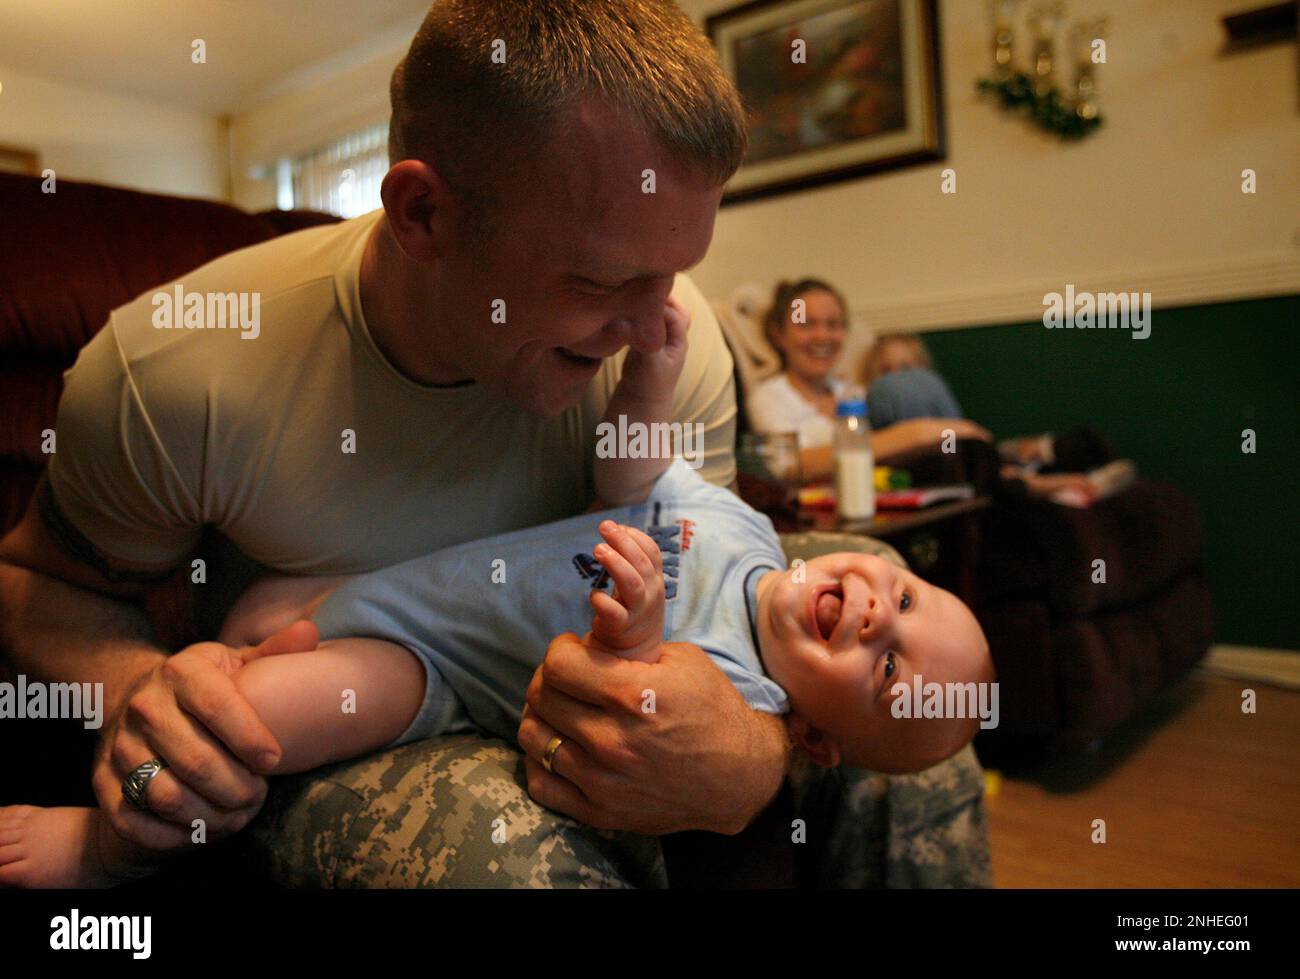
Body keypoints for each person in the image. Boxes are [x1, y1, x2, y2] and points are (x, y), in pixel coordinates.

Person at [0, 1, 990, 888]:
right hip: (381, 676)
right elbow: (41, 586)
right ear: (422, 212)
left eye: (677, 268)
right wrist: (143, 695)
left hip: (589, 657)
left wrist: (754, 744)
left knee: (923, 669)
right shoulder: (175, 369)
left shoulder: (667, 330)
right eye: (602, 282)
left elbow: (717, 590)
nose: (653, 322)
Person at [0, 314, 991, 886]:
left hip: (428, 673)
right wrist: (649, 378)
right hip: (391, 580)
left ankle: (99, 851)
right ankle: (233, 660)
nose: (875, 614)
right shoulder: (750, 534)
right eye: (902, 595)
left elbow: (623, 697)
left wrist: (637, 626)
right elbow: (629, 475)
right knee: (256, 625)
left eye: (888, 666)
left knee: (247, 722)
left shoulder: (748, 694)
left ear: (815, 739)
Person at [747, 281, 989, 481]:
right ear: (779, 335)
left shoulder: (856, 391)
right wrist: (916, 433)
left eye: (833, 324)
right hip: (843, 501)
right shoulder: (770, 396)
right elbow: (796, 465)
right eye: (806, 324)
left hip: (906, 481)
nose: (822, 336)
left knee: (903, 386)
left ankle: (979, 471)